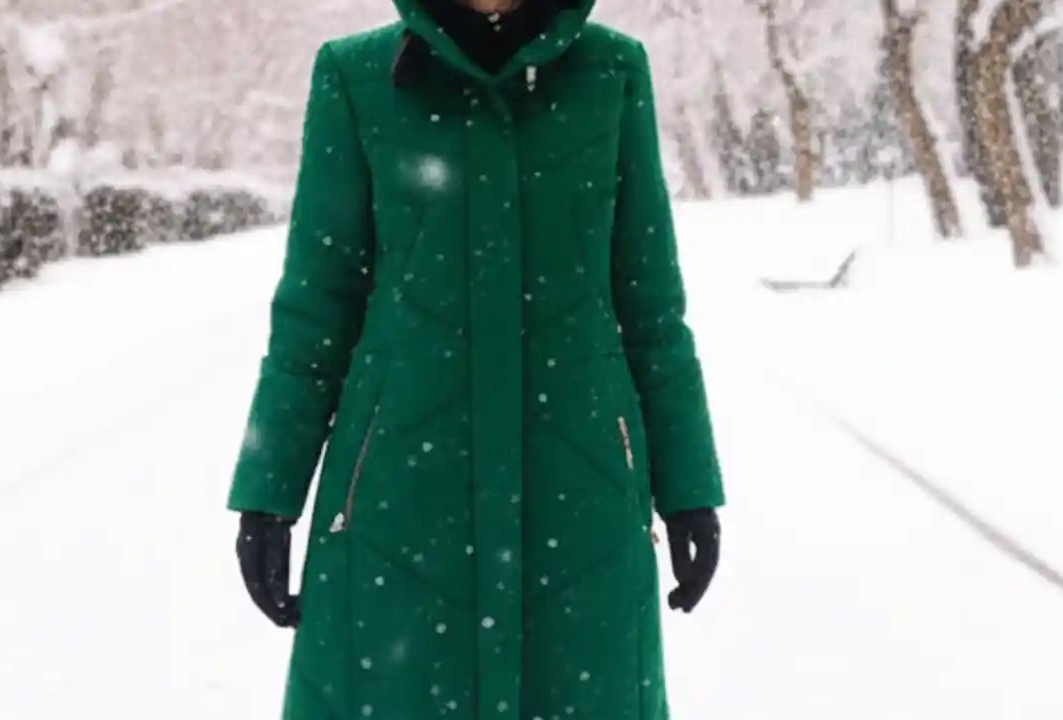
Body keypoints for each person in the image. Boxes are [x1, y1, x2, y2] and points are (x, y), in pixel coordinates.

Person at [228, 0, 725, 717]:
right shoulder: (356, 77)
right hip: (396, 494)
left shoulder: (612, 72)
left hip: (582, 489)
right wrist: (268, 496)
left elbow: (650, 308)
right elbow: (318, 305)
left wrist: (688, 488)